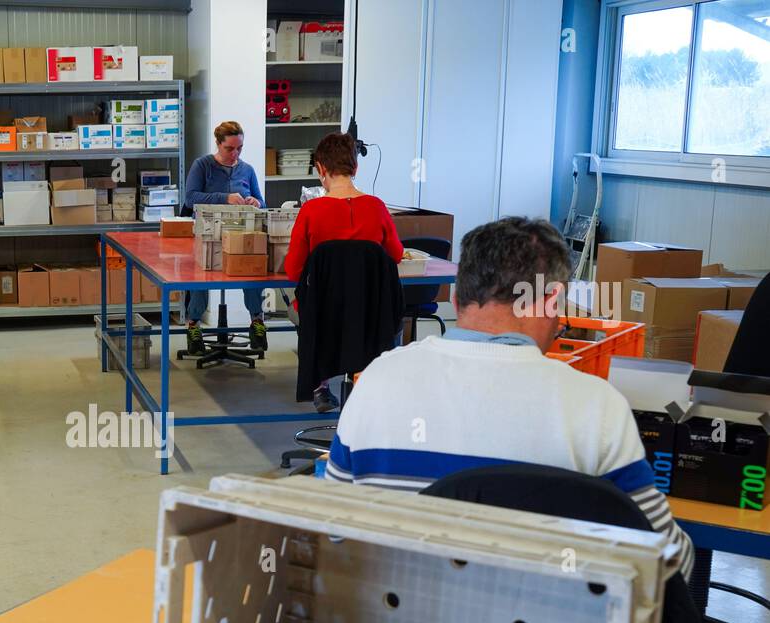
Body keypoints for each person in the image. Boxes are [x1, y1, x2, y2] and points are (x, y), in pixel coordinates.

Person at [323, 216, 694, 579]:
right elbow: (669, 563)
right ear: (553, 300)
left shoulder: (376, 381)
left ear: (454, 294)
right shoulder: (597, 406)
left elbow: (333, 533)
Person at [284, 131, 404, 409]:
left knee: (299, 309)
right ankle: (363, 378)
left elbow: (293, 271)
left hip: (323, 315)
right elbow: (396, 255)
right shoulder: (377, 207)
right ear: (356, 168)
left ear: (321, 169)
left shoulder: (311, 211)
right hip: (370, 316)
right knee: (367, 318)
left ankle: (320, 385)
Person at [182, 120, 268, 354]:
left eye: (239, 148)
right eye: (229, 148)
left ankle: (257, 321)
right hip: (209, 236)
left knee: (252, 274)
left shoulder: (247, 170)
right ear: (218, 144)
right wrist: (225, 197)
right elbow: (190, 198)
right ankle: (193, 324)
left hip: (240, 236)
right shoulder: (203, 166)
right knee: (200, 278)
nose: (235, 153)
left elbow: (263, 202)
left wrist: (256, 202)